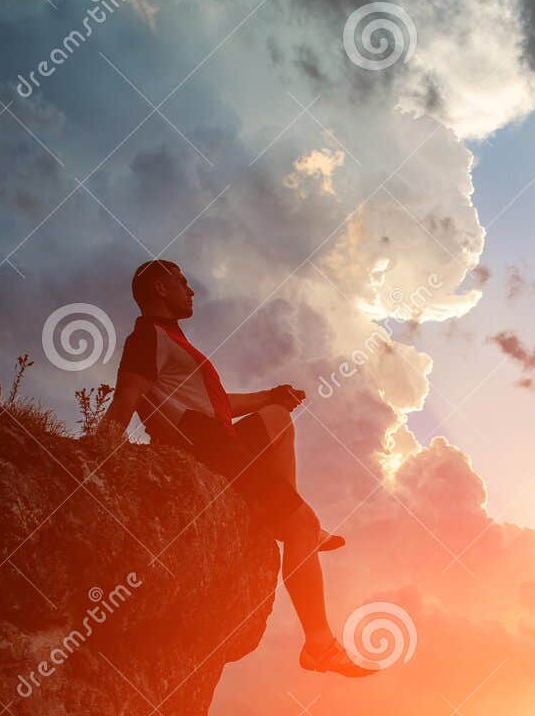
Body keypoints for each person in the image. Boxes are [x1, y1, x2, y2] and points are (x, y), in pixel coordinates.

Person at [98, 259, 374, 677]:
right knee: (300, 525)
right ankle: (318, 643)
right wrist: (93, 457)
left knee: (278, 415)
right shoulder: (146, 337)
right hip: (206, 449)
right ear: (158, 287)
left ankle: (296, 519)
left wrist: (269, 395)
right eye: (182, 282)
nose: (190, 291)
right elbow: (126, 399)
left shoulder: (171, 339)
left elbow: (218, 403)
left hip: (218, 437)